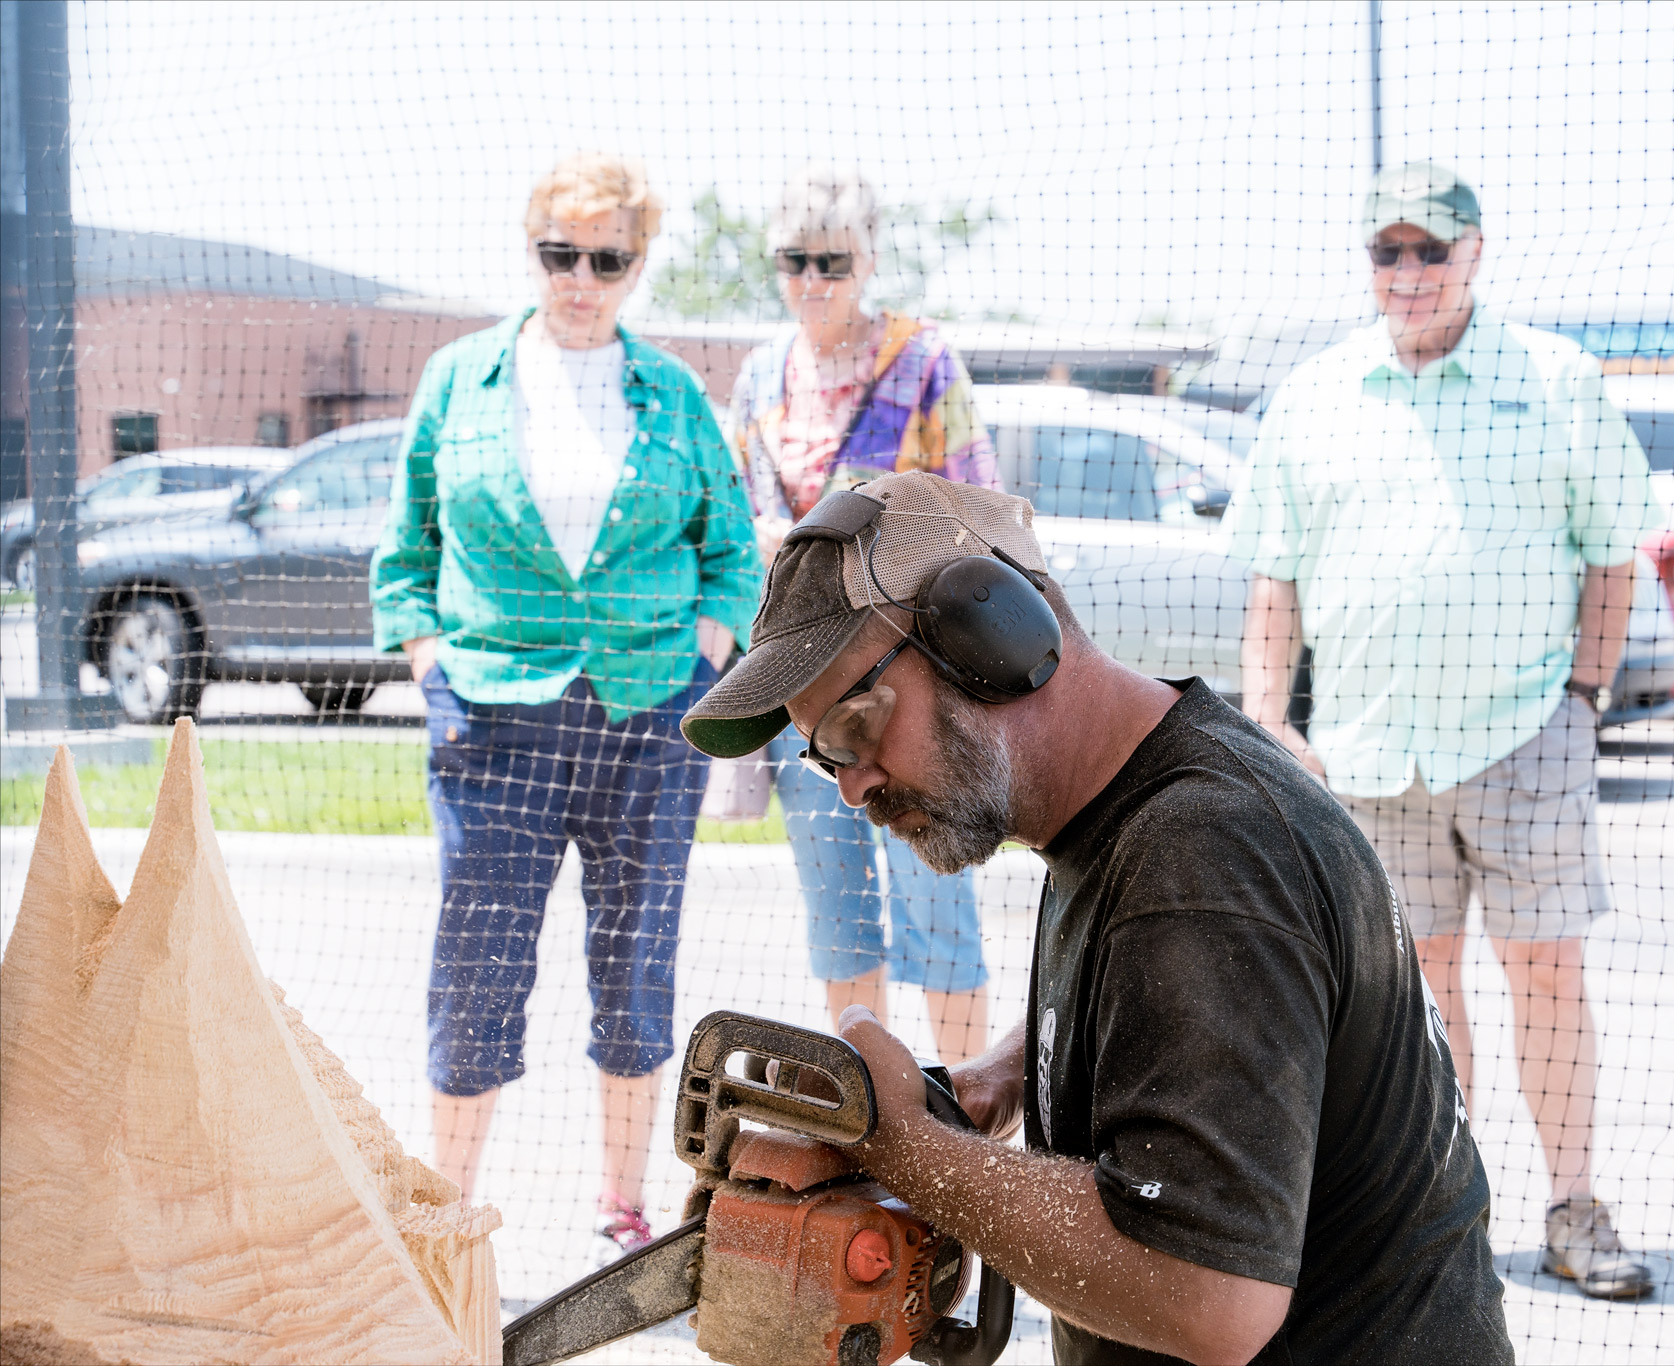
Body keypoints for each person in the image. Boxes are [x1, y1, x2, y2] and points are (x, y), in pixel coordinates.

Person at [679, 471, 1513, 1365]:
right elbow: (1179, 1004)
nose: (851, 786)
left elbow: (1210, 1299)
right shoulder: (1136, 800)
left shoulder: (1201, 856)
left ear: (988, 638)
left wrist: (908, 1145)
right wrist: (990, 1082)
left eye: (854, 727)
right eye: (822, 757)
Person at [1223, 161, 1662, 1300]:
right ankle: (1439, 1209)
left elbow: (1613, 549)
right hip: (1365, 755)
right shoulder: (1313, 394)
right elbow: (1272, 579)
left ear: (1475, 252)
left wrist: (1584, 700)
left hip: (1520, 735)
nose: (1408, 272)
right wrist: (1268, 717)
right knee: (1411, 993)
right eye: (1388, 251)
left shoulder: (1553, 379)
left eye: (1432, 249)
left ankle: (1573, 1204)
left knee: (1545, 973)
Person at [370, 152, 762, 1262]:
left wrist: (703, 657)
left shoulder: (676, 395)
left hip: (648, 715)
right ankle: (443, 1211)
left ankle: (623, 1204)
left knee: (636, 958)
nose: (581, 278)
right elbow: (406, 549)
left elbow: (730, 551)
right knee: (476, 962)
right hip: (493, 716)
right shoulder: (459, 380)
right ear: (530, 247)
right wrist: (431, 668)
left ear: (637, 265)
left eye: (608, 258)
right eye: (560, 253)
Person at [726, 164, 998, 1064]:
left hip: (911, 677)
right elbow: (736, 520)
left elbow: (980, 511)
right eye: (793, 260)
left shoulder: (923, 363)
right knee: (836, 906)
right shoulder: (760, 374)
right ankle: (873, 1113)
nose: (812, 281)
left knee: (936, 894)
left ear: (870, 257)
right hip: (802, 680)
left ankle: (966, 1116)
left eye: (832, 262)